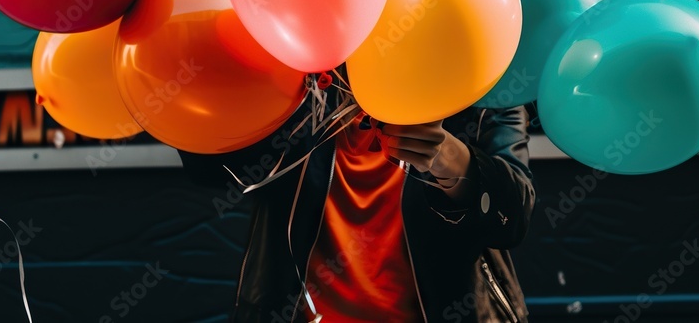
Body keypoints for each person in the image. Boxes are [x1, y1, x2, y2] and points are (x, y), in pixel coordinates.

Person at [178, 70, 535, 322]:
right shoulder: (292, 73)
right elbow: (212, 170)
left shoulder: (481, 77)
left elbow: (513, 217)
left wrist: (450, 158)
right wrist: (183, 74)